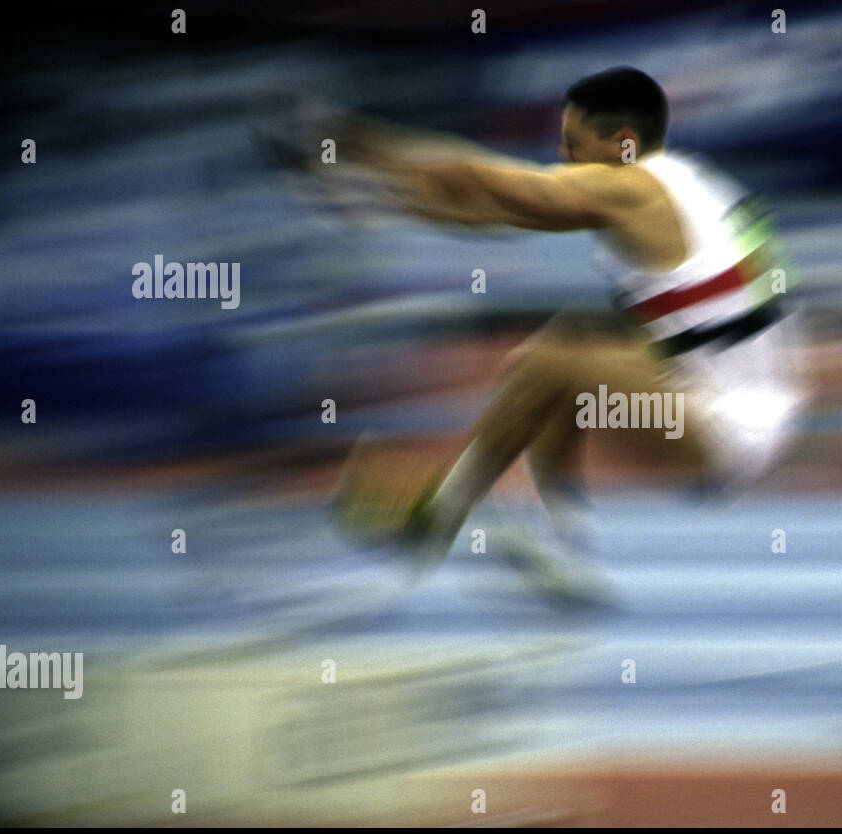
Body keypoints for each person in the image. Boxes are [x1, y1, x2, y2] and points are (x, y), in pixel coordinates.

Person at [277, 67, 808, 582]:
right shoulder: (684, 184)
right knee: (557, 348)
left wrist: (358, 143)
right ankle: (556, 530)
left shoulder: (633, 190)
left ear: (623, 143)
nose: (562, 156)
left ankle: (443, 516)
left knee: (557, 364)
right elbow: (492, 212)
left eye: (574, 144)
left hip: (726, 428)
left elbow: (488, 180)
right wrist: (379, 195)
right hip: (736, 401)